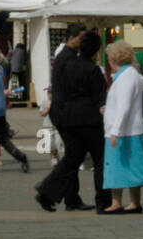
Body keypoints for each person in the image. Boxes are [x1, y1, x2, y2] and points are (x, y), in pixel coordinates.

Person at [35, 26, 109, 212]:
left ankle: (51, 192)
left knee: (72, 158)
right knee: (99, 159)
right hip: (88, 120)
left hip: (67, 117)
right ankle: (103, 201)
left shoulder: (66, 63)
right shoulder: (92, 70)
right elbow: (100, 99)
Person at [100, 40, 143, 214]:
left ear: (113, 59)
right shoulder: (127, 75)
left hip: (126, 132)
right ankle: (127, 203)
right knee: (122, 168)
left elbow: (125, 105)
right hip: (124, 130)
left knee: (136, 168)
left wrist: (115, 130)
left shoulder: (127, 77)